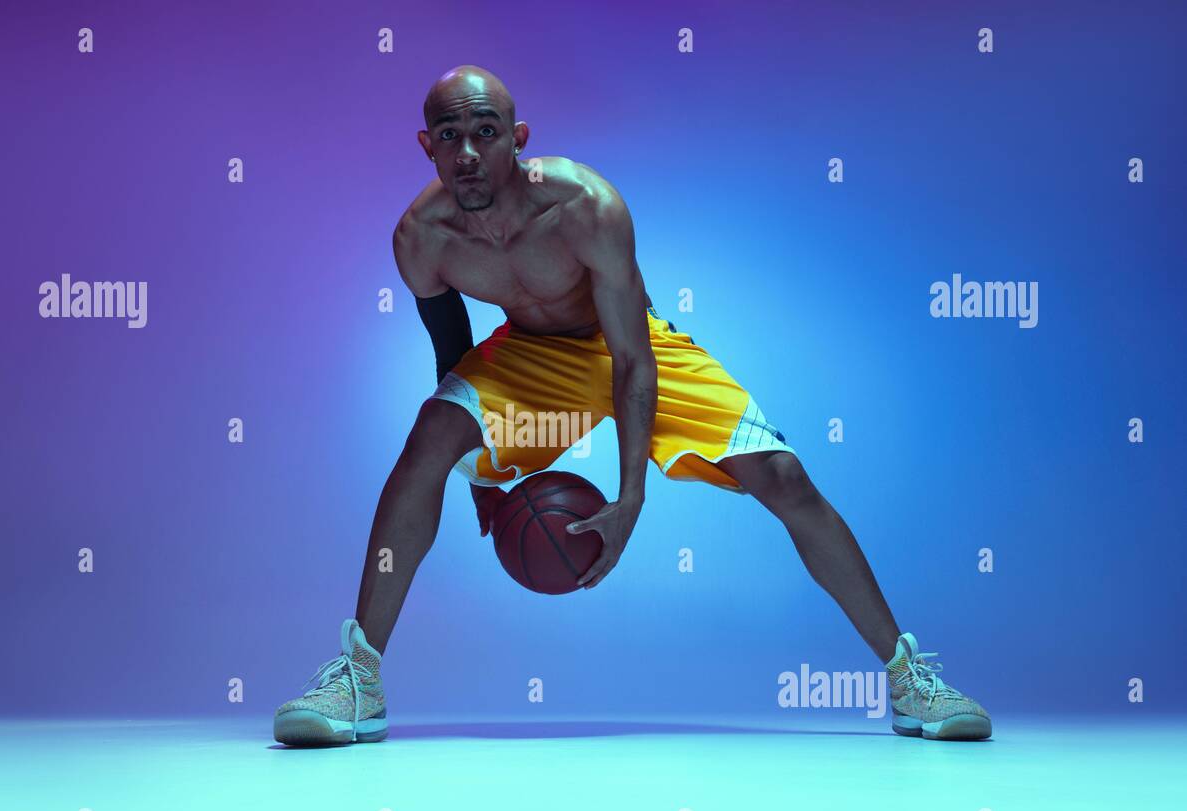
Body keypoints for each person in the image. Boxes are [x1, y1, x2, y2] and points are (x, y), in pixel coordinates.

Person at [273, 66, 991, 746]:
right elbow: (450, 348)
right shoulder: (420, 239)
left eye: (485, 132)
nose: (468, 153)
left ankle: (910, 679)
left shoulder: (587, 207)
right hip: (532, 358)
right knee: (430, 432)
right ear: (427, 146)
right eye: (450, 136)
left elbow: (633, 360)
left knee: (785, 478)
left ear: (518, 139)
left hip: (631, 344)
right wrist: (477, 468)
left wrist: (631, 496)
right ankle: (357, 679)